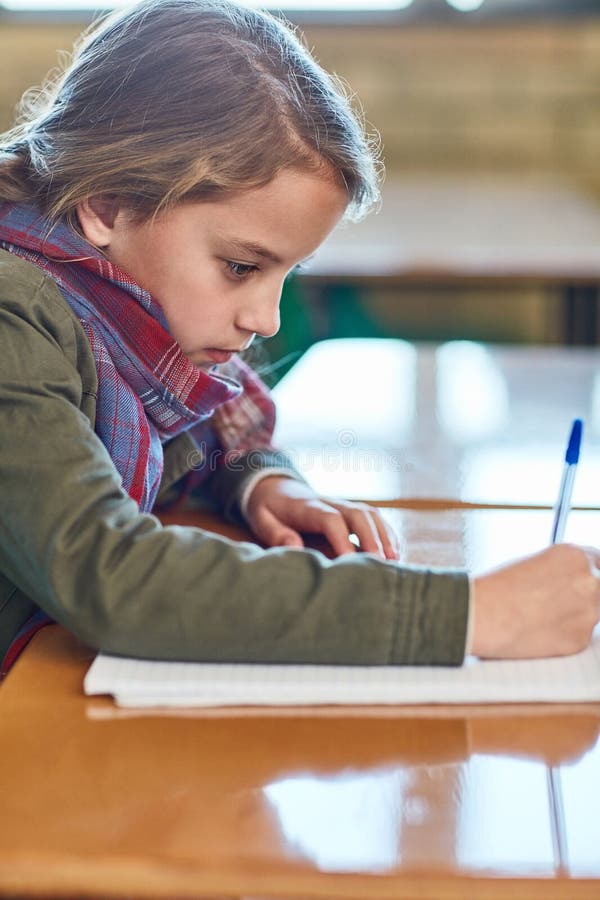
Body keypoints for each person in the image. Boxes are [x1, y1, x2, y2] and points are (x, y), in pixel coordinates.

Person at [0, 0, 597, 677]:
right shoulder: (17, 320)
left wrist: (263, 484)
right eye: (241, 267)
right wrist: (472, 615)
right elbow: (113, 576)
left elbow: (201, 444)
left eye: (287, 273)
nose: (268, 320)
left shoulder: (130, 331)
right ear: (106, 205)